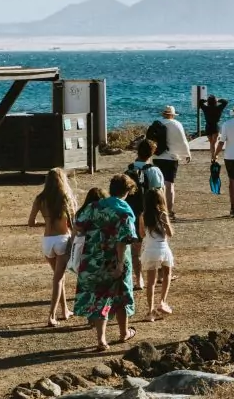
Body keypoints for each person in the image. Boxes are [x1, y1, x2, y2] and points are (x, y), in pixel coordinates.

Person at [72, 174, 140, 352]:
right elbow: (123, 241)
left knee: (100, 296)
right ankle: (124, 332)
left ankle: (101, 339)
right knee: (121, 296)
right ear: (127, 191)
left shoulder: (94, 206)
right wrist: (120, 264)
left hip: (94, 259)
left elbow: (78, 225)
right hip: (114, 259)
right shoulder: (124, 212)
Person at [28, 168, 76, 326]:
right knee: (58, 278)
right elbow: (73, 223)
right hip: (62, 239)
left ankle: (65, 310)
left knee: (58, 277)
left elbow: (31, 222)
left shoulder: (40, 198)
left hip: (47, 241)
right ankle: (51, 316)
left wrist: (46, 222)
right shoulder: (65, 198)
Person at [147, 105, 192, 219]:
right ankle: (169, 211)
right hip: (171, 158)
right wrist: (187, 153)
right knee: (169, 185)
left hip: (157, 156)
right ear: (172, 115)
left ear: (163, 114)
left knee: (159, 184)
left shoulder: (157, 123)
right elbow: (182, 140)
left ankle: (159, 208)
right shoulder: (176, 124)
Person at [138, 186, 176, 320]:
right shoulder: (163, 214)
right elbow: (170, 234)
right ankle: (162, 302)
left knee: (151, 282)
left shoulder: (143, 216)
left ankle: (150, 311)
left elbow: (142, 234)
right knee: (167, 274)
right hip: (163, 249)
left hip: (150, 250)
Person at [125, 138, 167, 221]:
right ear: (152, 153)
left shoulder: (130, 169)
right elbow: (159, 193)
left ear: (138, 152)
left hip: (132, 211)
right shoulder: (154, 170)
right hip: (149, 212)